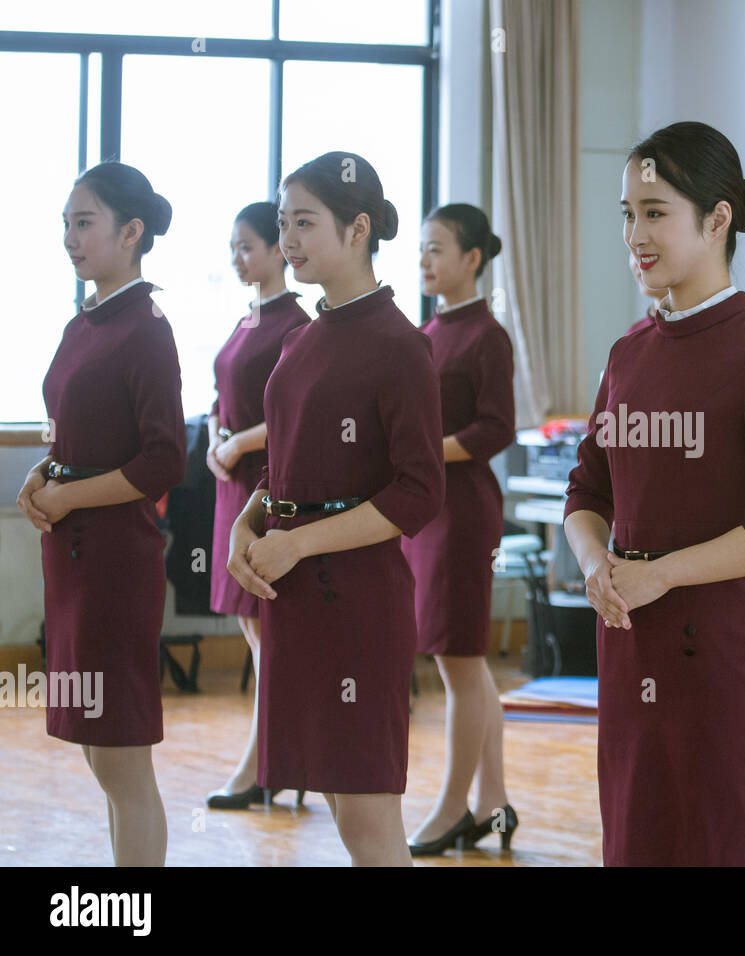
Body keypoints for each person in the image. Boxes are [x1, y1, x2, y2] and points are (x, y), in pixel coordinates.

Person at [564, 121, 745, 865]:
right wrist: (595, 564)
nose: (635, 234)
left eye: (655, 212)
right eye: (627, 213)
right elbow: (586, 489)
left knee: (723, 844)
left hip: (720, 651)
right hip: (627, 641)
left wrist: (665, 571)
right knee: (637, 839)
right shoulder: (627, 353)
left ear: (717, 221)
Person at [226, 151, 444, 866]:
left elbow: (418, 491)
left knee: (367, 807)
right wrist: (246, 523)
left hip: (355, 600)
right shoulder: (302, 337)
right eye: (284, 223)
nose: (288, 239)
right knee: (339, 801)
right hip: (295, 594)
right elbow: (284, 463)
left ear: (357, 230)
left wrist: (298, 543)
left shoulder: (399, 345)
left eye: (304, 223)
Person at [16, 161, 186, 865]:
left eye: (83, 223)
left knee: (121, 761)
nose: (69, 238)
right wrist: (41, 474)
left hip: (115, 559)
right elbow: (72, 429)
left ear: (131, 231)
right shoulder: (85, 320)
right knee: (96, 751)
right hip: (73, 554)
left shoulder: (147, 326)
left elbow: (162, 460)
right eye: (65, 223)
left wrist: (68, 494)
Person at [403, 203, 518, 855]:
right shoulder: (425, 333)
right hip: (427, 510)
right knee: (464, 667)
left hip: (464, 510)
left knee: (461, 661)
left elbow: (496, 428)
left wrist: (425, 449)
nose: (424, 260)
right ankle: (493, 803)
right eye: (421, 248)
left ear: (472, 259)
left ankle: (452, 808)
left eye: (436, 249)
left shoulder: (487, 336)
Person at [206, 201, 310, 810]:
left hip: (264, 483)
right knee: (252, 630)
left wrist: (239, 441)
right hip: (231, 479)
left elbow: (295, 415)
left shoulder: (294, 322)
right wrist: (221, 438)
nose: (239, 258)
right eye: (233, 248)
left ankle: (265, 762)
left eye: (248, 246)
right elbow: (225, 393)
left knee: (266, 631)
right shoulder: (247, 319)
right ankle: (277, 757)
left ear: (277, 250)